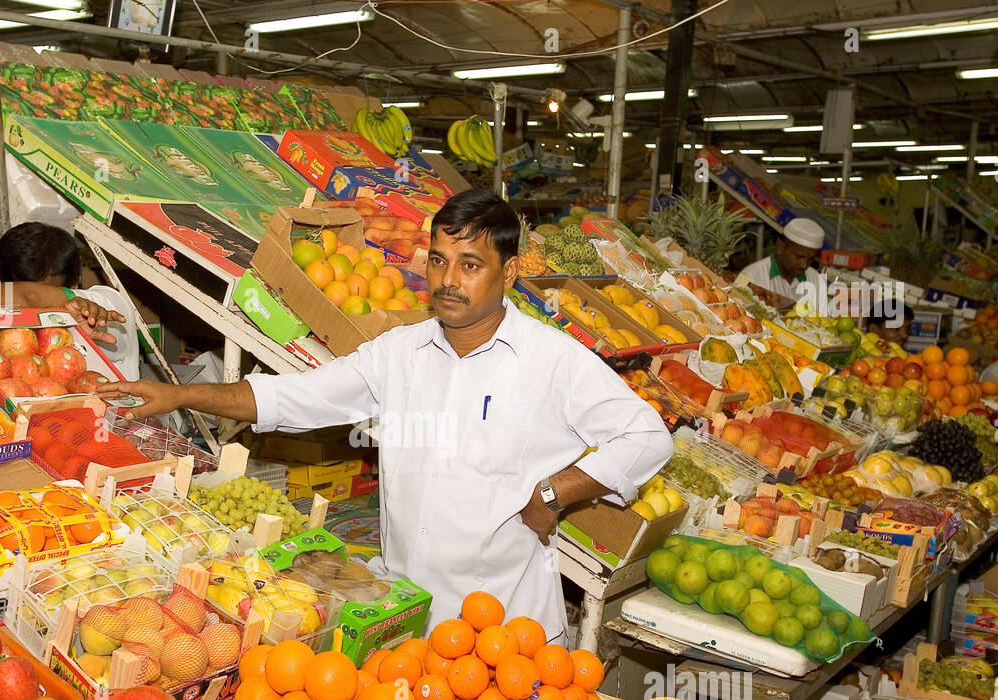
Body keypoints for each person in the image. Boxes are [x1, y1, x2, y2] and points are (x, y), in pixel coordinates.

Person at [99, 189, 673, 640]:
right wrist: (180, 396)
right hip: (410, 621)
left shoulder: (553, 360)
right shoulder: (399, 352)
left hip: (507, 633)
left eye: (470, 265)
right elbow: (295, 397)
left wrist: (555, 493)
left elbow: (647, 435)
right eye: (440, 261)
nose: (448, 281)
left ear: (511, 271)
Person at [0, 222, 139, 381]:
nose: (28, 309)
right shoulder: (3, 327)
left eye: (45, 294)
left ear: (74, 284)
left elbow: (29, 296)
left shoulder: (108, 304)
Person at [734, 217, 826, 300]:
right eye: (799, 257)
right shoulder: (748, 275)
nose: (804, 265)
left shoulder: (816, 280)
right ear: (781, 247)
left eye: (810, 259)